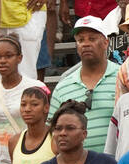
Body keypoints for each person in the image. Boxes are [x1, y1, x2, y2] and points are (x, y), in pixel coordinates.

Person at [47, 17, 118, 153]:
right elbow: (52, 131)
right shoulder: (63, 86)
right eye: (80, 40)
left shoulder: (122, 77)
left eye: (92, 39)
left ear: (105, 42)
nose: (85, 44)